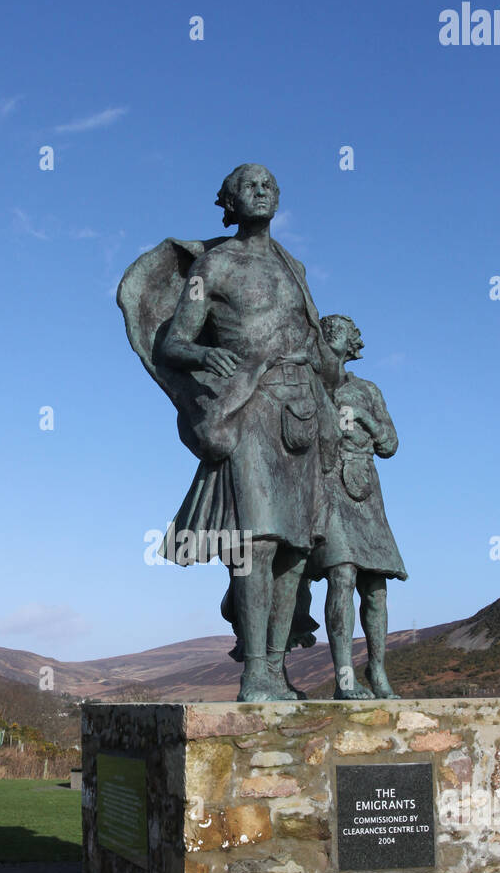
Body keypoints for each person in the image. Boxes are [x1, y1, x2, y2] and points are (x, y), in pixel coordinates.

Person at [158, 164, 340, 702]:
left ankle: (276, 669)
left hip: (302, 407)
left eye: (270, 185)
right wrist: (206, 351)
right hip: (250, 405)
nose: (262, 191)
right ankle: (255, 671)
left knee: (297, 549)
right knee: (256, 542)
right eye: (249, 185)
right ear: (229, 203)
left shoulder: (294, 265)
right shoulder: (214, 265)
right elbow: (173, 343)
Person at [303, 314, 408, 699]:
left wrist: (363, 417)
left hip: (366, 490)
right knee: (341, 575)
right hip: (328, 485)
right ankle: (344, 679)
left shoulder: (368, 390)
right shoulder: (312, 383)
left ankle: (376, 670)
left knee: (376, 588)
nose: (356, 338)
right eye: (350, 332)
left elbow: (391, 445)